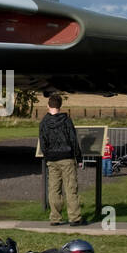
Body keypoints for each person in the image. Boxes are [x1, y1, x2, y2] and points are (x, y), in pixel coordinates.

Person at [39, 94, 83, 226]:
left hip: (52, 159)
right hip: (67, 158)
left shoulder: (44, 122)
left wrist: (48, 156)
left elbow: (43, 142)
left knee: (54, 189)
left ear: (48, 105)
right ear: (60, 106)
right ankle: (74, 217)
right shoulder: (66, 121)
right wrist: (78, 157)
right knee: (71, 188)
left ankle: (55, 218)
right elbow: (73, 140)